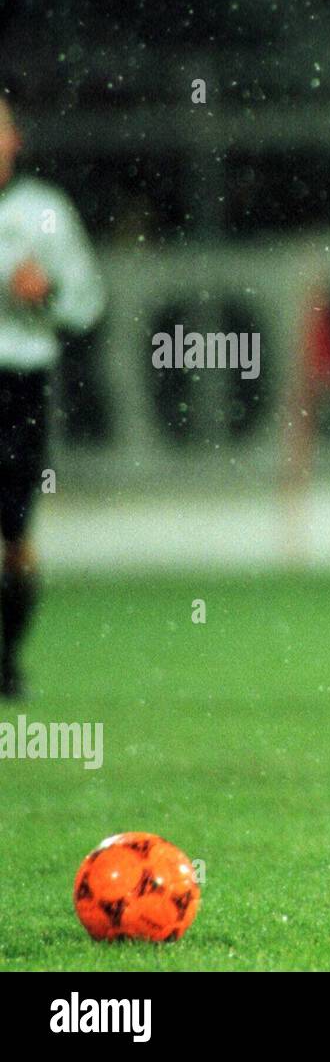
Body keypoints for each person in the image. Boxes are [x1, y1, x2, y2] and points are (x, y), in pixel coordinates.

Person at [0, 94, 105, 697]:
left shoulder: (44, 213)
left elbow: (88, 304)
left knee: (14, 528)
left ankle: (7, 663)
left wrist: (46, 293)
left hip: (18, 384)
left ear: (17, 142)